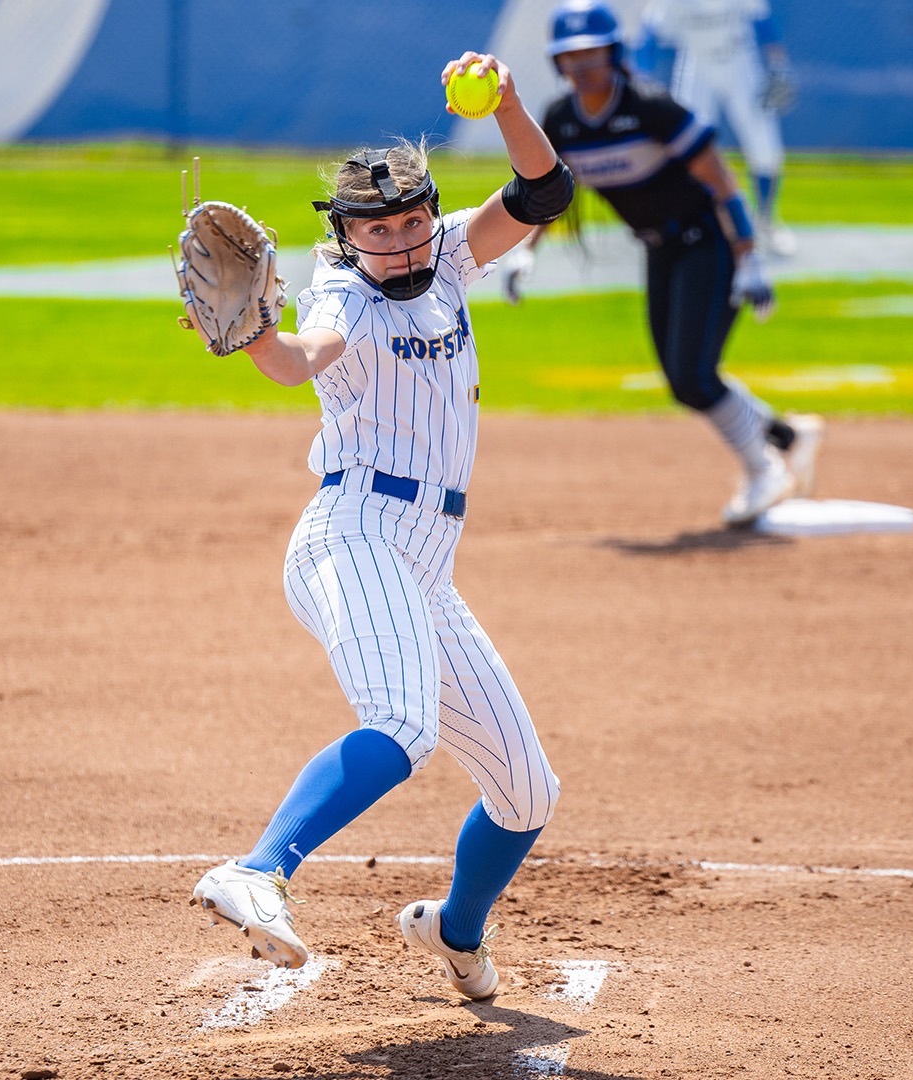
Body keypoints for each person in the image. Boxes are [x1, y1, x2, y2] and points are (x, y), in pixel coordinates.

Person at [187, 51, 574, 1001]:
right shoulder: (342, 298)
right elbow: (296, 361)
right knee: (401, 723)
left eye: (409, 222)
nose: (399, 244)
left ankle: (453, 930)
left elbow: (545, 188)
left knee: (527, 791)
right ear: (346, 236)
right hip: (353, 535)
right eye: (377, 230)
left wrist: (511, 101)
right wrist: (253, 337)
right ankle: (257, 871)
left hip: (425, 565)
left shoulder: (449, 260)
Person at [507, 0, 820, 527]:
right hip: (660, 249)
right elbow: (552, 193)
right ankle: (790, 437)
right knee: (683, 380)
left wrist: (749, 260)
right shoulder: (562, 120)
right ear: (557, 63)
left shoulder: (652, 106)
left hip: (709, 241)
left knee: (693, 376)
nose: (583, 67)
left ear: (614, 53)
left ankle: (764, 468)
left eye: (593, 54)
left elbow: (722, 182)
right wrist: (524, 251)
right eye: (571, 57)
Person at [638, 0, 799, 256]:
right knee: (684, 144)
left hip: (740, 60)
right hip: (696, 64)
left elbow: (762, 20)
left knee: (764, 144)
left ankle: (767, 222)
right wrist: (640, 78)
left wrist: (778, 62)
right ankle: (687, 222)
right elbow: (649, 33)